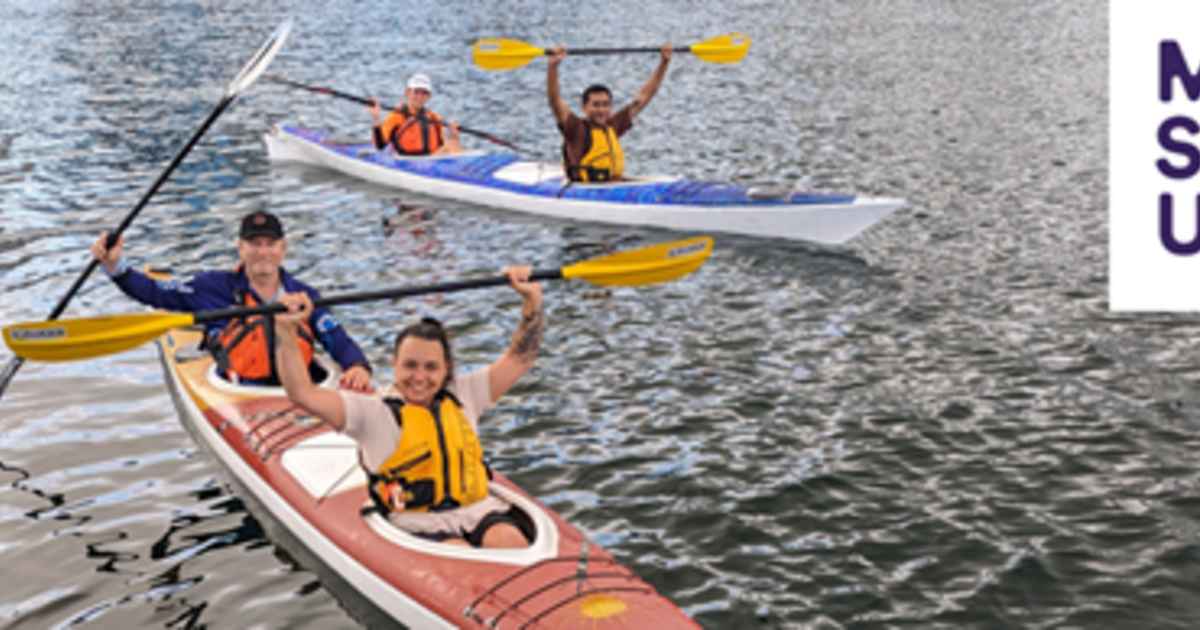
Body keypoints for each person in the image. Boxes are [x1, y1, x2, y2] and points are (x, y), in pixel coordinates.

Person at [273, 267, 543, 549]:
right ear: (394, 364)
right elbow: (301, 393)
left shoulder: (467, 393)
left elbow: (519, 359)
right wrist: (286, 328)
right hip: (416, 524)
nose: (419, 377)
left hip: (477, 510)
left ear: (446, 369)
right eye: (410, 365)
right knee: (457, 552)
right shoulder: (372, 412)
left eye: (431, 367)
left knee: (510, 539)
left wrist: (532, 300)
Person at [90, 210, 373, 391]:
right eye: (254, 244)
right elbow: (156, 293)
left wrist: (357, 366)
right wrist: (117, 268)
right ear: (241, 248)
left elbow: (336, 336)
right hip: (235, 392)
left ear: (283, 250)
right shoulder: (212, 287)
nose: (263, 252)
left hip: (300, 392)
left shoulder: (304, 296)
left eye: (270, 244)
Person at [546, 44, 673, 183]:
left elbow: (644, 96)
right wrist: (553, 66)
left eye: (606, 104)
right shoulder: (576, 130)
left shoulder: (613, 125)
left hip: (615, 187)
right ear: (584, 107)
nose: (601, 110)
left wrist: (664, 63)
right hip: (587, 193)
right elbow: (555, 101)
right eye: (596, 105)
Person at [367, 73, 463, 156]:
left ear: (429, 97)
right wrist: (376, 117)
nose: (419, 97)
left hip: (431, 161)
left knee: (451, 146)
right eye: (416, 92)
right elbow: (380, 145)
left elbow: (443, 147)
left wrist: (454, 137)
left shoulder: (434, 117)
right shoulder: (397, 115)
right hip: (407, 162)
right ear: (408, 93)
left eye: (424, 93)